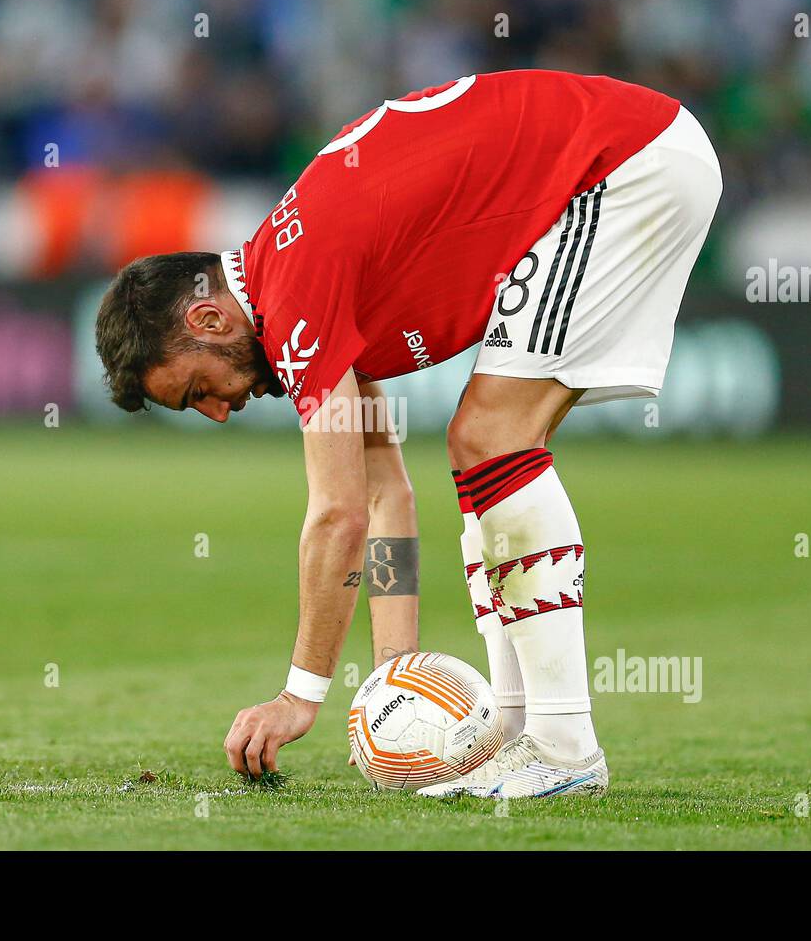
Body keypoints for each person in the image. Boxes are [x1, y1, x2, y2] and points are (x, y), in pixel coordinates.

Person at [95, 69, 721, 798]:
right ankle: (515, 734)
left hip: (623, 163)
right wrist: (394, 681)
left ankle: (563, 746)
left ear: (207, 319)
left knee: (489, 436)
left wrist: (301, 694)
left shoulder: (296, 299)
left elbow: (338, 515)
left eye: (198, 390)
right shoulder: (294, 275)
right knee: (484, 452)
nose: (219, 411)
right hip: (628, 155)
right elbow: (384, 497)